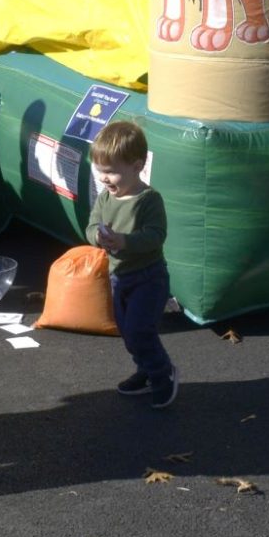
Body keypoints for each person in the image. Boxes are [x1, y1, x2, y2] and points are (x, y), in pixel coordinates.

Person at [87, 120, 176, 407]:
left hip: (149, 277)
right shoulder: (105, 197)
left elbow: (156, 236)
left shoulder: (149, 200)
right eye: (101, 171)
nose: (104, 178)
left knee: (140, 330)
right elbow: (90, 226)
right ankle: (145, 369)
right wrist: (98, 237)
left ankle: (163, 375)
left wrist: (125, 241)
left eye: (111, 171)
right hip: (119, 277)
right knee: (128, 333)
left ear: (137, 166)